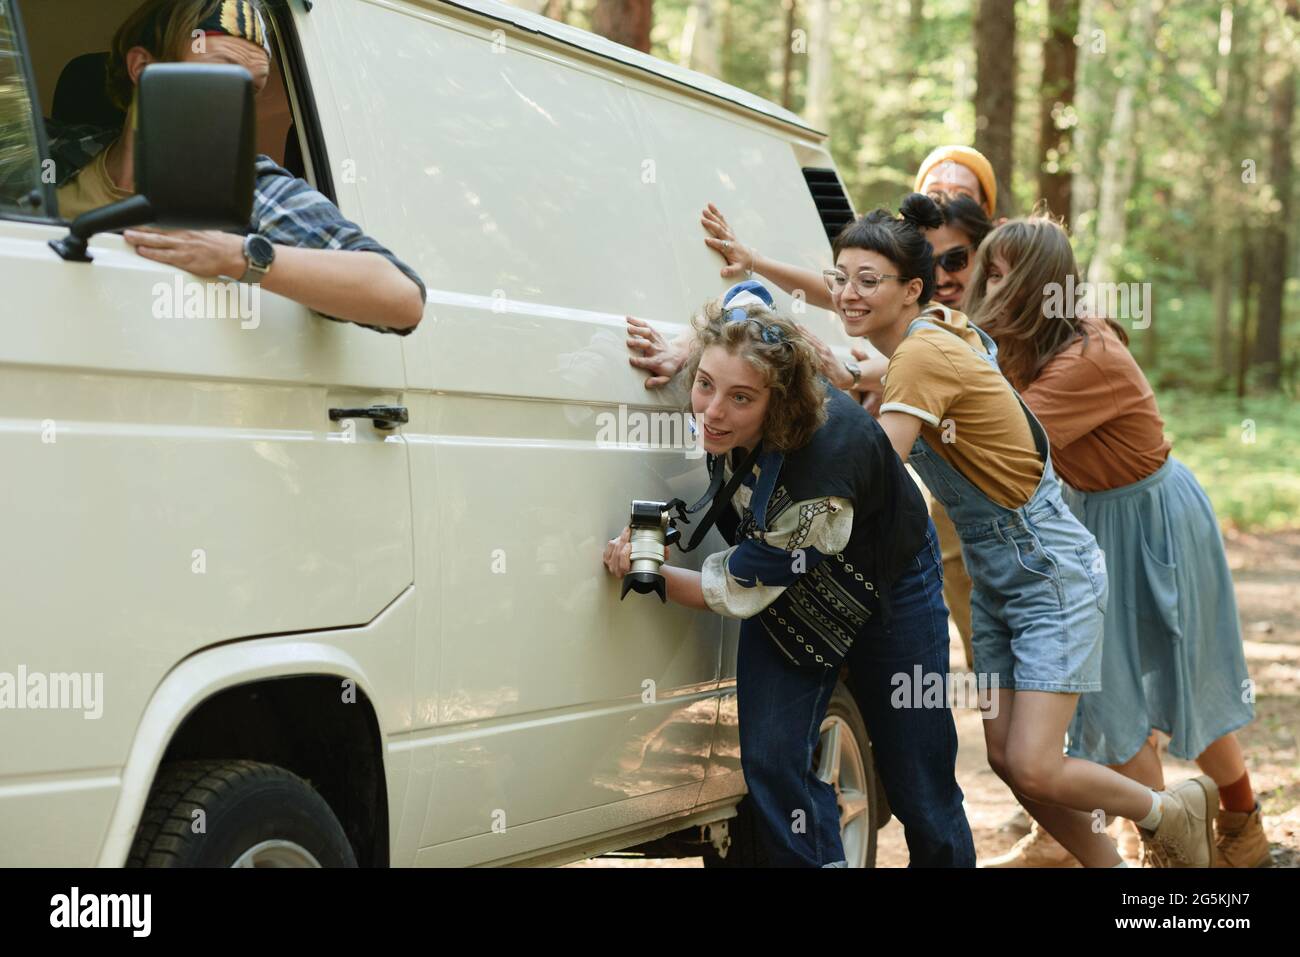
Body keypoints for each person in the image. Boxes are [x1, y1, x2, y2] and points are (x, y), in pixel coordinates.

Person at [732, 192, 1220, 867]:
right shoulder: (929, 332)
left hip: (1046, 563)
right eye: (840, 278)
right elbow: (854, 366)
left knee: (1035, 761)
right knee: (1010, 761)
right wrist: (757, 298)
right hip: (999, 573)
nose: (846, 293)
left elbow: (874, 467)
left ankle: (1171, 811)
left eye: (868, 282)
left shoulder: (923, 356)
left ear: (912, 289)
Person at [608, 282, 975, 867]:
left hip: (886, 579)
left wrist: (648, 569)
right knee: (773, 759)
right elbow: (747, 292)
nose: (713, 412)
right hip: (786, 570)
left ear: (778, 402)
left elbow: (740, 584)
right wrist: (689, 344)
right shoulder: (740, 356)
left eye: (740, 399)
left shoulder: (826, 465)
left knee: (918, 776)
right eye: (705, 385)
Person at [962, 216, 1266, 868]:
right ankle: (1177, 837)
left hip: (1151, 518)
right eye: (989, 269)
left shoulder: (1083, 357)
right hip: (1097, 515)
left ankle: (1225, 829)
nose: (992, 284)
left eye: (1004, 271)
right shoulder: (1038, 343)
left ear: (1048, 281)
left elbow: (999, 434)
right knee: (1115, 690)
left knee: (1181, 682)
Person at [46, 0, 425, 335]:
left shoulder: (249, 185)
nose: (239, 101)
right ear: (143, 68)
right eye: (220, 74)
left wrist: (238, 256)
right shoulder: (50, 150)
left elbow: (401, 298)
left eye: (253, 89)